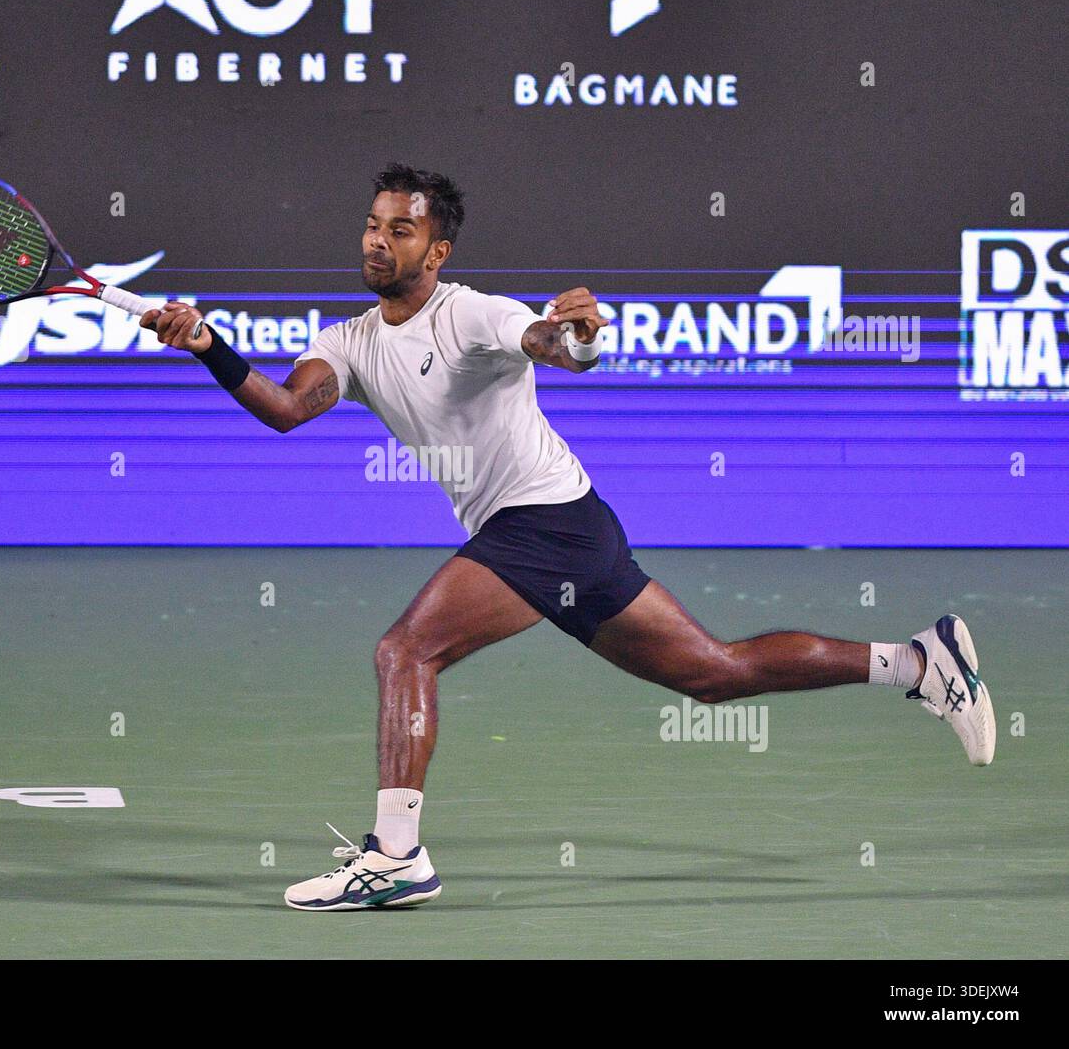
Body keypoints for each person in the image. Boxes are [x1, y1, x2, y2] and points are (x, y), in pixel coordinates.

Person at [142, 164, 996, 912]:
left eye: (399, 230)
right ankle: (919, 662)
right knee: (714, 673)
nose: (376, 241)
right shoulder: (350, 341)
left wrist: (579, 336)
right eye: (372, 225)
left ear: (435, 253)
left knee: (406, 652)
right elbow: (289, 408)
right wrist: (209, 345)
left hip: (542, 521)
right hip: (573, 527)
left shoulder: (472, 314)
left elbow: (551, 344)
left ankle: (396, 856)